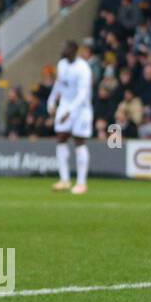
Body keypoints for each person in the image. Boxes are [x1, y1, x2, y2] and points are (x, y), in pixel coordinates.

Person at [48, 40, 94, 195]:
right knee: (61, 137)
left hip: (81, 109)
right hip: (65, 105)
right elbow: (59, 85)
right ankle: (64, 180)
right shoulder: (61, 64)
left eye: (66, 48)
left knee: (79, 141)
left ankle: (82, 183)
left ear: (74, 51)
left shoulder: (83, 68)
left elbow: (83, 94)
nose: (63, 50)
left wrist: (70, 112)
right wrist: (52, 101)